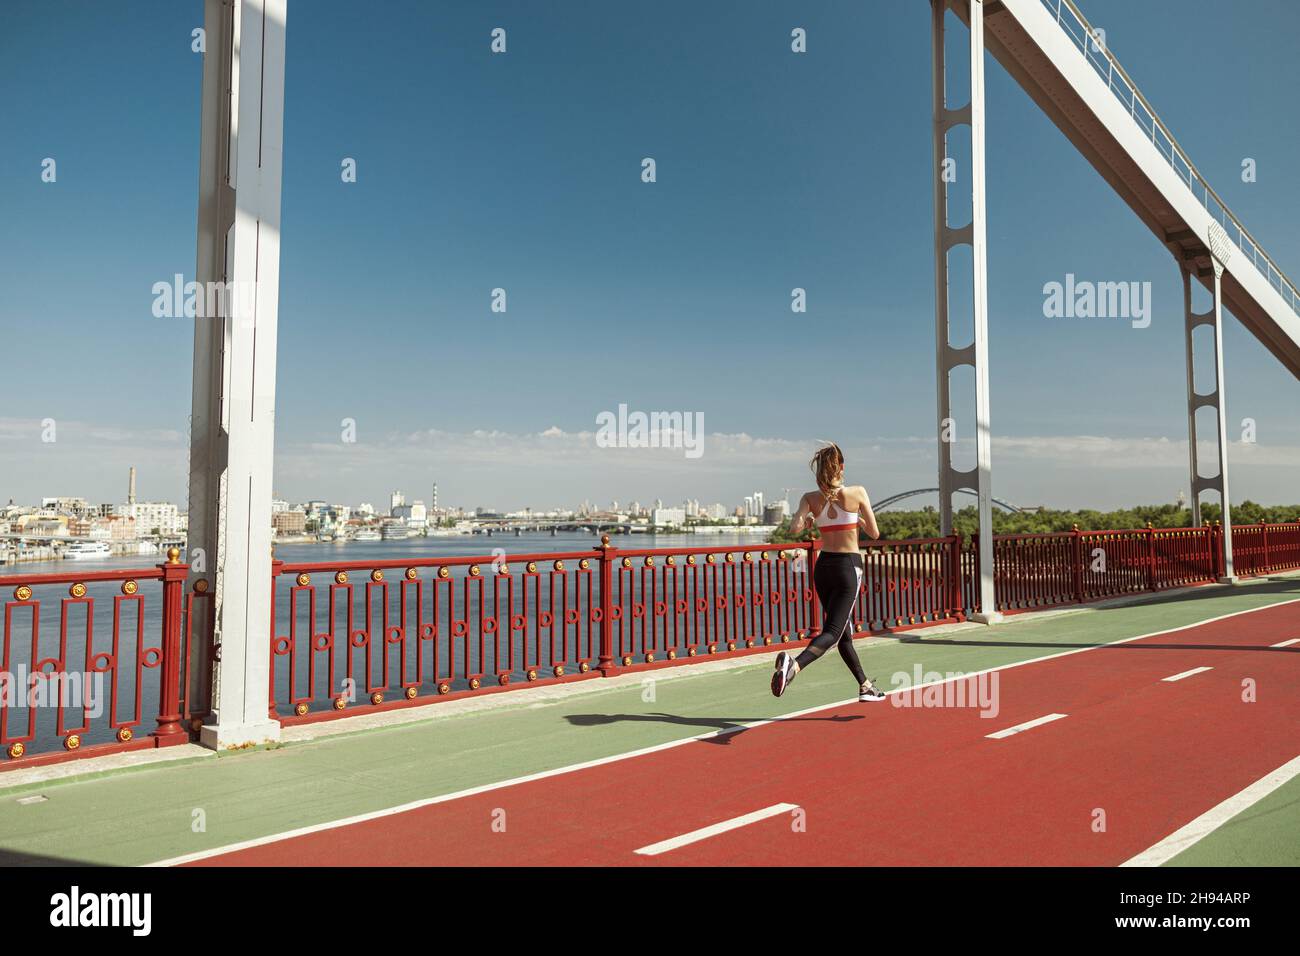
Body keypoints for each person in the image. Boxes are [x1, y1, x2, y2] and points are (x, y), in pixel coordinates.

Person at [772, 442, 887, 702]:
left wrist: (811, 519)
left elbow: (794, 528)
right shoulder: (857, 492)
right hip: (848, 567)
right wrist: (856, 520)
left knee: (843, 630)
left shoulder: (810, 498)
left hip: (823, 568)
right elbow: (875, 533)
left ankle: (865, 686)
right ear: (842, 467)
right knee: (834, 632)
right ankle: (794, 666)